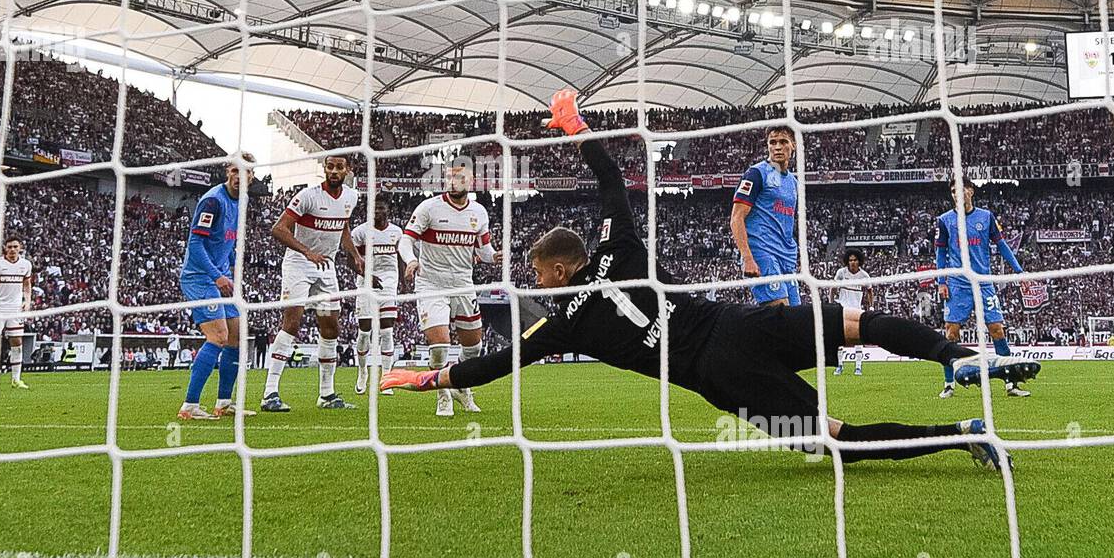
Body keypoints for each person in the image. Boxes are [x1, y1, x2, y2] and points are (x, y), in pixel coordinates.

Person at [383, 90, 1040, 471]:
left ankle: (968, 434)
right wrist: (576, 125)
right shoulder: (622, 246)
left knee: (833, 437)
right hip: (737, 320)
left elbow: (498, 364)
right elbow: (613, 181)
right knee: (855, 323)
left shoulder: (563, 321)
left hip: (720, 375)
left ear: (558, 270)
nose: (540, 282)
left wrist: (428, 377)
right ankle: (954, 353)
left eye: (539, 273)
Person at [397, 162, 503, 418]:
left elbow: (483, 251)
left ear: (471, 181)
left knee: (473, 348)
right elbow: (405, 239)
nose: (455, 182)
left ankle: (462, 388)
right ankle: (442, 396)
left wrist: (495, 256)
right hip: (431, 284)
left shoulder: (478, 212)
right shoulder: (429, 208)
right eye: (451, 177)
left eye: (461, 178)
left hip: (464, 285)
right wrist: (411, 260)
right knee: (440, 345)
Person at [263, 154, 363, 412]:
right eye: (329, 167)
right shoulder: (307, 196)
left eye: (338, 167)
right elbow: (278, 228)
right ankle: (269, 393)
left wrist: (354, 254)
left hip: (326, 269)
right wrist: (307, 252)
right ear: (324, 169)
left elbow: (343, 227)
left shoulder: (351, 197)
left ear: (346, 170)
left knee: (330, 328)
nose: (333, 171)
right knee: (292, 323)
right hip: (299, 265)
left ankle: (326, 394)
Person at [936, 177, 1031, 399]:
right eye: (952, 191)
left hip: (984, 282)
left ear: (970, 191)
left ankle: (1011, 384)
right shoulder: (944, 220)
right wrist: (942, 282)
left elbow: (1001, 245)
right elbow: (940, 253)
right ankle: (949, 384)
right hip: (958, 284)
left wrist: (1018, 270)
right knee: (951, 334)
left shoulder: (986, 217)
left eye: (960, 190)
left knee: (997, 329)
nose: (956, 194)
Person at [176, 156, 255, 420]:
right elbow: (195, 245)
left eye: (244, 172)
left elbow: (229, 243)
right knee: (218, 337)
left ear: (251, 177)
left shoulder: (242, 200)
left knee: (236, 336)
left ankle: (224, 402)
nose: (238, 176)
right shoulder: (212, 201)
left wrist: (231, 273)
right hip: (199, 277)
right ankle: (190, 406)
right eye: (234, 171)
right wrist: (217, 276)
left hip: (221, 276)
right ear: (227, 172)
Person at [730, 125, 799, 306]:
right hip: (762, 251)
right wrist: (748, 258)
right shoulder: (756, 174)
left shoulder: (793, 182)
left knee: (797, 316)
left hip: (786, 256)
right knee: (779, 311)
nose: (777, 147)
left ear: (794, 145)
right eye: (772, 142)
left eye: (783, 142)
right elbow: (736, 218)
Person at [351, 195, 404, 396]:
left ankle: (387, 377)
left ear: (387, 210)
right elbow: (351, 260)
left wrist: (404, 283)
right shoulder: (360, 232)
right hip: (366, 283)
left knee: (387, 331)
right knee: (365, 331)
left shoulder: (396, 232)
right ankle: (362, 370)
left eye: (382, 208)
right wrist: (366, 275)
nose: (378, 212)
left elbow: (400, 257)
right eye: (375, 208)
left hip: (389, 282)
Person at [0, 233, 33, 391]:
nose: (12, 250)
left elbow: (27, 284)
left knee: (17, 344)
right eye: (9, 247)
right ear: (5, 248)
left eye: (15, 247)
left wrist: (27, 301)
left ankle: (16, 379)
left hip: (15, 310)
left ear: (20, 248)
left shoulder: (26, 265)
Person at [832, 248, 872, 376]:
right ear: (847, 261)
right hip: (842, 309)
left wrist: (871, 307)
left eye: (855, 260)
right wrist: (832, 302)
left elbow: (870, 291)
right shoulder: (841, 273)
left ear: (859, 261)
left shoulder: (864, 276)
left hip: (856, 309)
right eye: (850, 260)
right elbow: (832, 288)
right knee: (838, 338)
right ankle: (839, 366)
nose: (852, 262)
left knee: (858, 338)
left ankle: (858, 367)